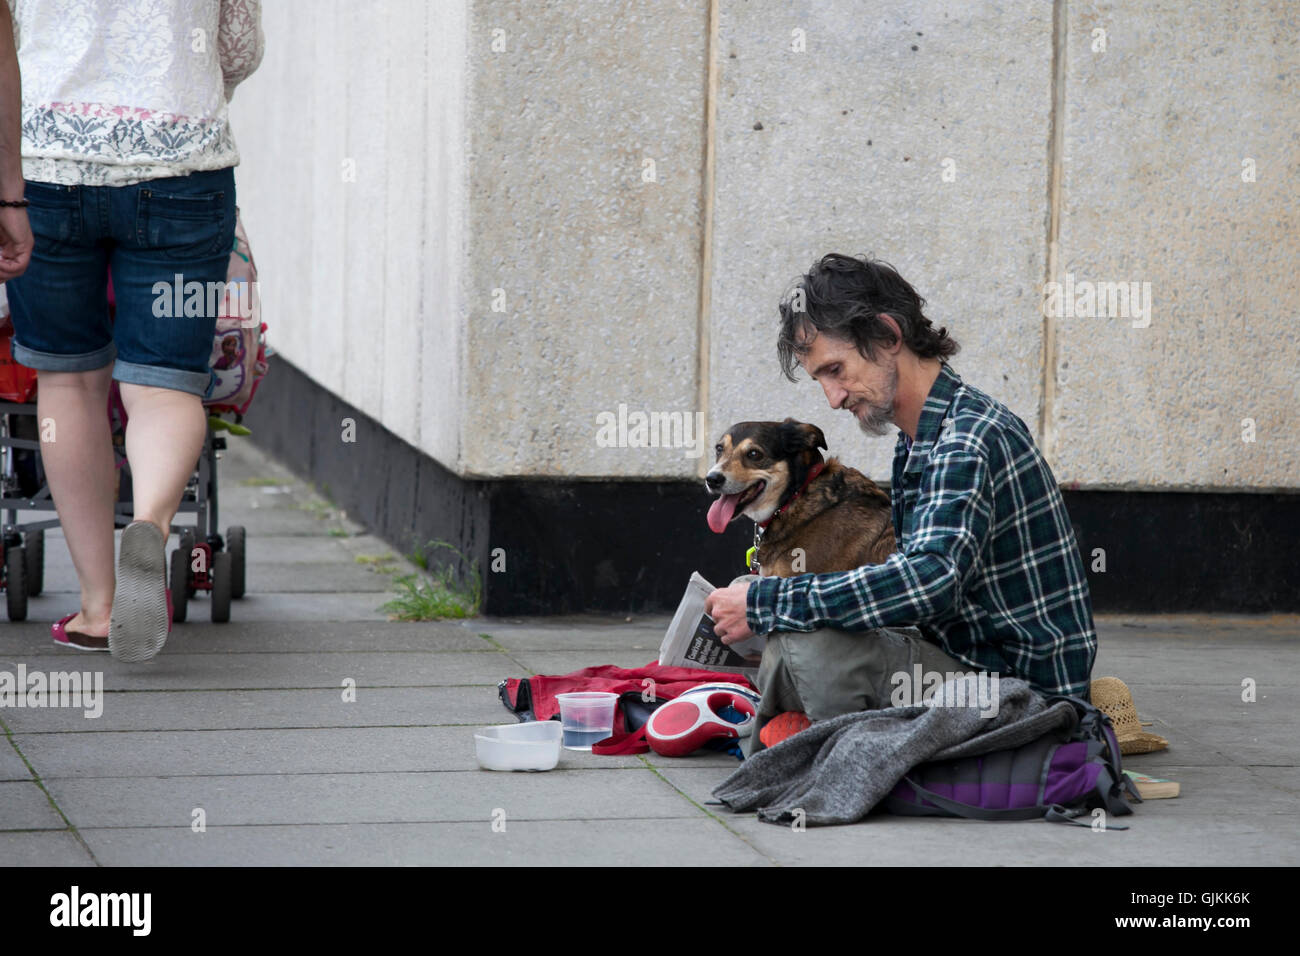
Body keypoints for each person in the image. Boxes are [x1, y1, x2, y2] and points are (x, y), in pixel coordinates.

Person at [705, 253, 1098, 756]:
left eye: (836, 370)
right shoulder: (919, 437)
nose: (832, 398)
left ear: (888, 336)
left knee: (808, 641)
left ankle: (814, 741)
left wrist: (768, 603)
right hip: (961, 660)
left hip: (1023, 698)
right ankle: (797, 729)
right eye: (820, 379)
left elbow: (929, 582)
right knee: (784, 617)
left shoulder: (966, 439)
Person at [4, 0, 263, 662]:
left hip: (46, 163)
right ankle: (149, 521)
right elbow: (238, 47)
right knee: (165, 384)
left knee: (68, 380)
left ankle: (99, 605)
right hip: (186, 169)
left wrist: (6, 191)